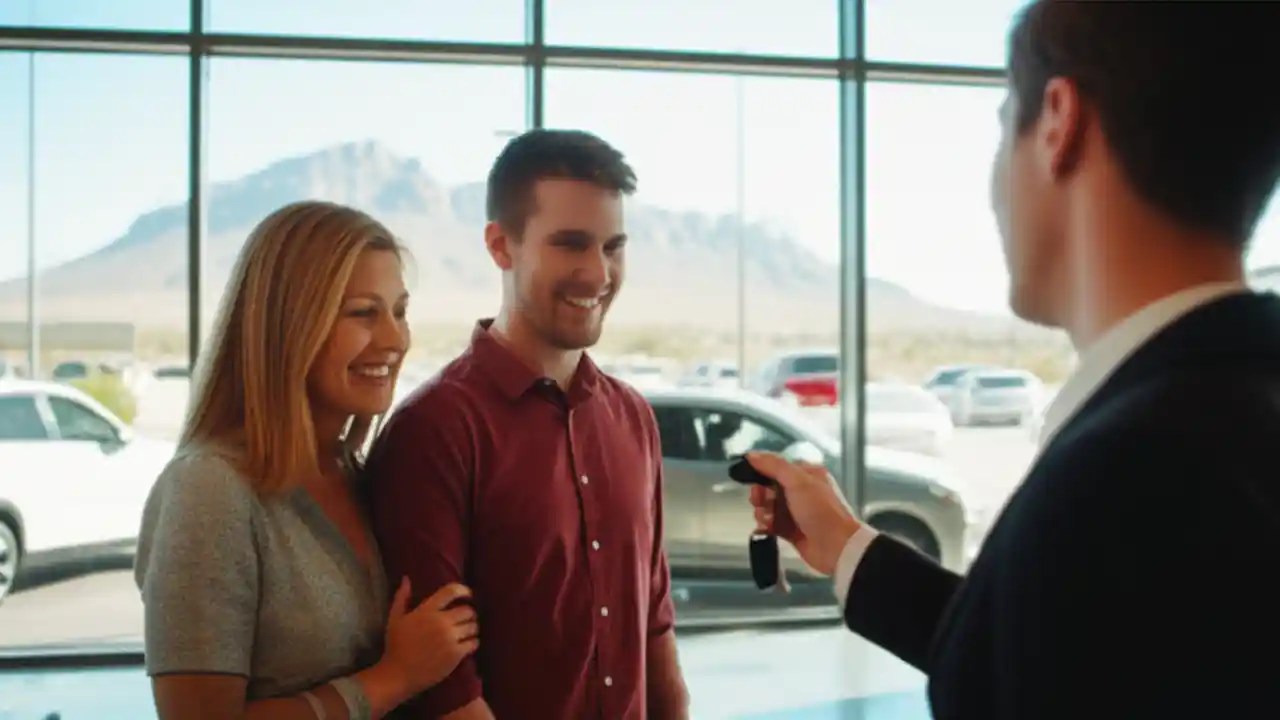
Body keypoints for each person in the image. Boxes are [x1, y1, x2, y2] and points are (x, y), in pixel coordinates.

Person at [748, 2, 1280, 718]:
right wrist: (850, 548)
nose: (995, 185)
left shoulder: (1120, 483)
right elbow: (1080, 656)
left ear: (1059, 121)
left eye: (1004, 128)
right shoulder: (1233, 413)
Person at [365, 129, 690, 719]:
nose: (597, 274)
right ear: (501, 245)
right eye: (571, 244)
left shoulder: (633, 418)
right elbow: (446, 692)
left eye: (613, 246)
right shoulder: (433, 432)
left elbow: (654, 624)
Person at [134, 201, 479, 720]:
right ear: (288, 324)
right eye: (364, 312)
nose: (394, 339)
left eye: (399, 311)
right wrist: (394, 678)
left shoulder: (356, 475)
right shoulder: (209, 489)